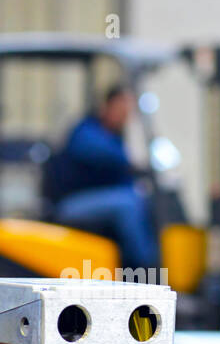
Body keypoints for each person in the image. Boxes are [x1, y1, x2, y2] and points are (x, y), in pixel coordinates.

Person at [47, 85, 159, 271]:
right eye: (121, 109)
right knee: (128, 204)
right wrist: (133, 161)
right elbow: (107, 155)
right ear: (107, 106)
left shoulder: (115, 136)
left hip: (92, 200)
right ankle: (146, 270)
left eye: (127, 111)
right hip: (70, 203)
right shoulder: (86, 131)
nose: (124, 115)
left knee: (140, 198)